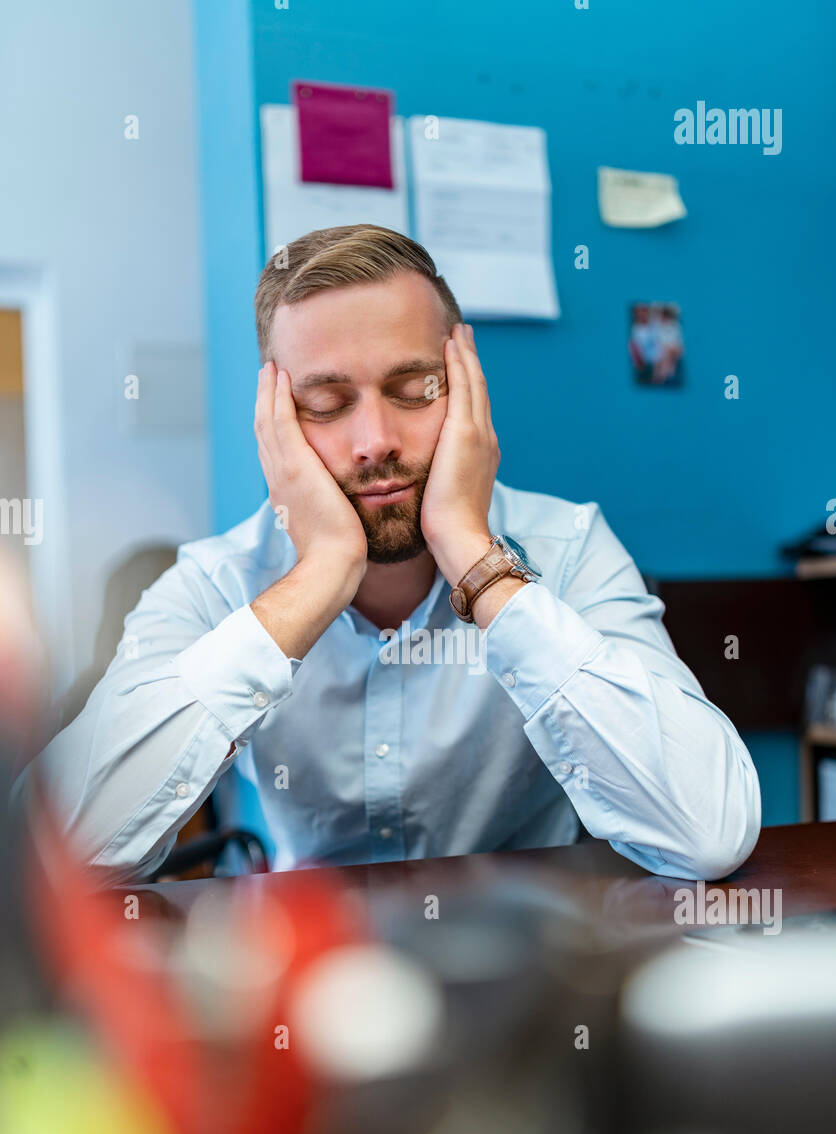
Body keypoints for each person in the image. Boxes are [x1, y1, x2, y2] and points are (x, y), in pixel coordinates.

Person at [13, 224, 760, 884]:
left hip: (538, 973)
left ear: (467, 389)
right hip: (316, 984)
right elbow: (50, 856)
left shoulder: (567, 549)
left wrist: (476, 559)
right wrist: (316, 580)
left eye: (414, 388)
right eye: (326, 404)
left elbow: (709, 834)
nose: (375, 442)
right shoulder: (215, 582)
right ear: (274, 421)